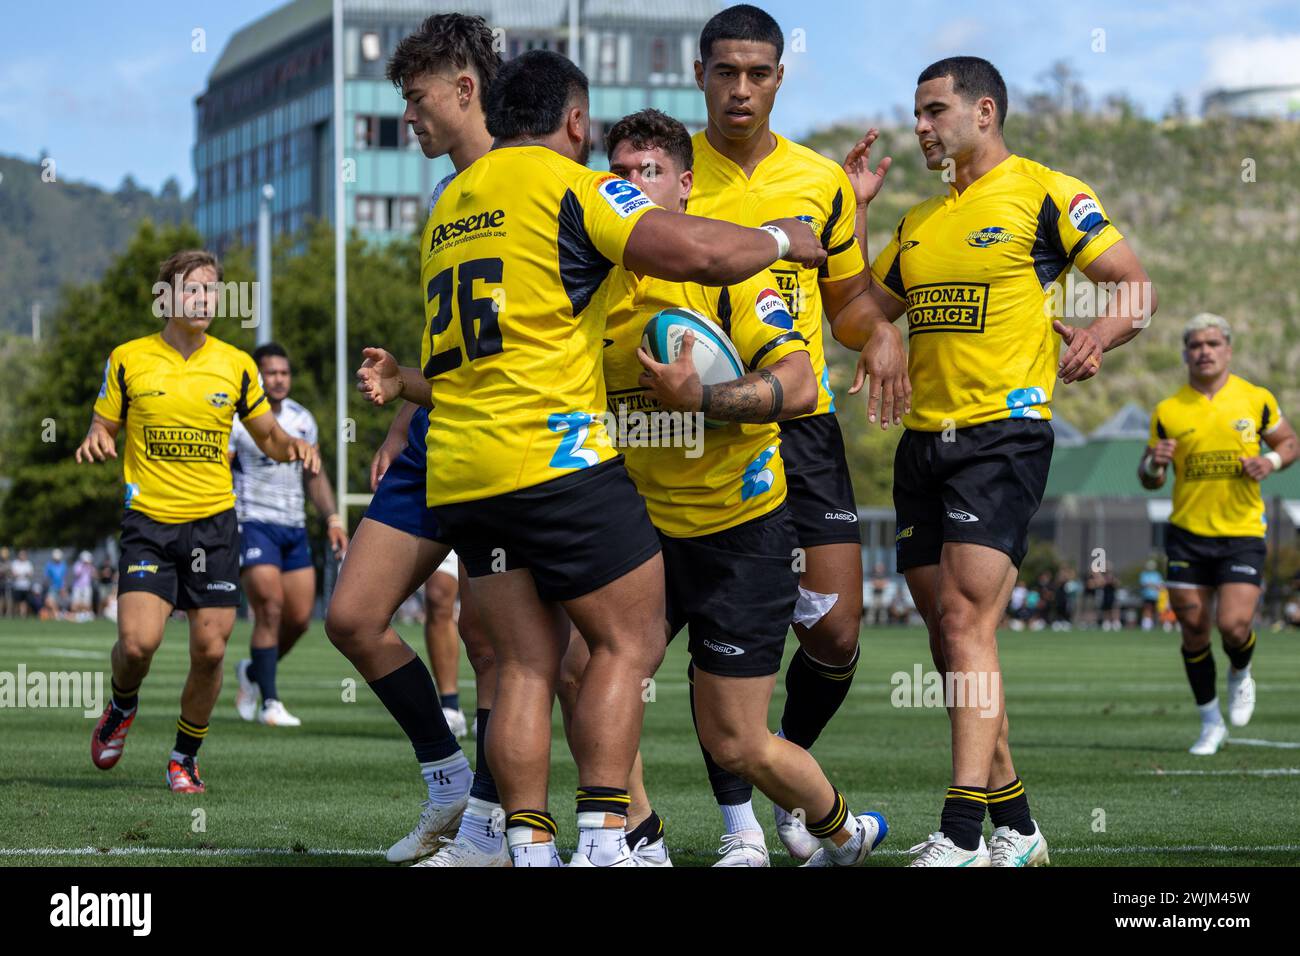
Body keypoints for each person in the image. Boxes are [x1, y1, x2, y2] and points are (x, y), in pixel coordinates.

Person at [356, 48, 826, 867]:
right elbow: (697, 254)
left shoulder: (448, 204)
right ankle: (610, 837)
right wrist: (782, 235)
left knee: (525, 663)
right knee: (628, 640)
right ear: (577, 124)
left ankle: (527, 844)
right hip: (555, 461)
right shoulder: (572, 185)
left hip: (463, 473)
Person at [851, 55, 1156, 865]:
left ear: (985, 112)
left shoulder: (1047, 193)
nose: (921, 126)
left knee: (964, 621)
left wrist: (1100, 331)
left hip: (1003, 437)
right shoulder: (918, 220)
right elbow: (853, 312)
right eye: (916, 113)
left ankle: (958, 836)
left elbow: (1135, 285)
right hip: (923, 445)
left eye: (935, 110)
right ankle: (1016, 828)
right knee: (950, 646)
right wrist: (856, 221)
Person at [574, 107, 887, 867]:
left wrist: (704, 400)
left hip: (741, 531)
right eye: (617, 175)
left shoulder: (733, 275)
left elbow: (803, 383)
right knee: (582, 667)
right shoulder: (593, 289)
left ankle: (843, 831)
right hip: (642, 528)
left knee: (738, 740)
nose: (632, 186)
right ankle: (626, 838)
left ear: (685, 187)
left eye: (648, 171)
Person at [682, 2, 907, 862]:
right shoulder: (666, 172)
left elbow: (848, 304)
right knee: (717, 638)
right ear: (700, 74)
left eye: (758, 73)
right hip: (696, 431)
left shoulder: (820, 180)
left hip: (801, 425)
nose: (740, 89)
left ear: (781, 77)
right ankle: (740, 824)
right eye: (725, 71)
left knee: (838, 633)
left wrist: (882, 331)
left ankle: (789, 777)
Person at [324, 12, 505, 867]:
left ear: (465, 90)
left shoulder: (534, 180)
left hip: (507, 442)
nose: (409, 117)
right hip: (436, 433)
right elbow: (447, 336)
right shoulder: (441, 198)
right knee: (355, 615)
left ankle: (505, 824)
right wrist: (401, 411)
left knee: (499, 643)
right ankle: (447, 779)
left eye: (417, 98)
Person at [76, 248, 318, 793]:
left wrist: (295, 448)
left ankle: (184, 756)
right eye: (193, 290)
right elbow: (103, 425)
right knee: (137, 645)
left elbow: (269, 437)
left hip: (214, 526)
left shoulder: (236, 364)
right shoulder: (128, 358)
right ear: (166, 297)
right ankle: (121, 705)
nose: (204, 300)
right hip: (150, 524)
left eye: (212, 291)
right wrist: (97, 436)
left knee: (210, 651)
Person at [1139, 313, 1297, 755]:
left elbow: (1290, 443)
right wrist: (1155, 462)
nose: (1203, 351)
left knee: (1233, 624)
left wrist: (1272, 463)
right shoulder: (1168, 411)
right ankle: (1211, 721)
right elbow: (1149, 478)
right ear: (1185, 353)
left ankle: (1241, 672)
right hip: (1187, 533)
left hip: (1242, 532)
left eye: (1212, 343)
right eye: (1195, 345)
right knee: (1193, 628)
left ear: (1227, 349)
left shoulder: (1255, 399)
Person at [229, 342, 348, 728]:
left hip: (293, 527)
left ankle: (251, 672)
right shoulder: (237, 420)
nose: (278, 379)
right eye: (270, 373)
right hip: (252, 523)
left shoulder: (302, 419)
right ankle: (270, 702)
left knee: (298, 619)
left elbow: (314, 473)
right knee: (270, 607)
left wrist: (331, 518)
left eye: (284, 373)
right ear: (257, 377)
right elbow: (221, 467)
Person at [70, 551, 96, 622]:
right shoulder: (77, 565)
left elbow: (94, 575)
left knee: (87, 602)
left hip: (87, 586)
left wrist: (90, 568)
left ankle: (84, 615)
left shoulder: (90, 566)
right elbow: (77, 574)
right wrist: (83, 567)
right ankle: (78, 615)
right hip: (77, 586)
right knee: (76, 602)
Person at [43, 549, 68, 620]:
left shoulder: (63, 565)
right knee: (49, 602)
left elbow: (63, 577)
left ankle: (59, 614)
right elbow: (47, 577)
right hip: (52, 587)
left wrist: (63, 587)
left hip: (61, 587)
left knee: (61, 603)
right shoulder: (49, 565)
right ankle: (57, 614)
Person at [1138, 560, 1163, 631]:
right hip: (1146, 595)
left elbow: (1159, 586)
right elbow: (1144, 584)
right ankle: (1146, 625)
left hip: (1155, 596)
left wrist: (1152, 585)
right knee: (1147, 609)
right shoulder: (1144, 574)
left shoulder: (1157, 574)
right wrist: (1153, 585)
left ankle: (1155, 625)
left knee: (1155, 611)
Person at [10, 549, 34, 619]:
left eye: (23, 555)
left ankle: (23, 615)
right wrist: (24, 574)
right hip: (17, 586)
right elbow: (14, 574)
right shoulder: (15, 563)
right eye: (21, 554)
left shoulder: (28, 563)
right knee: (16, 602)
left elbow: (30, 574)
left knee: (24, 602)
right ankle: (15, 614)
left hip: (25, 586)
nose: (22, 556)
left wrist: (20, 574)